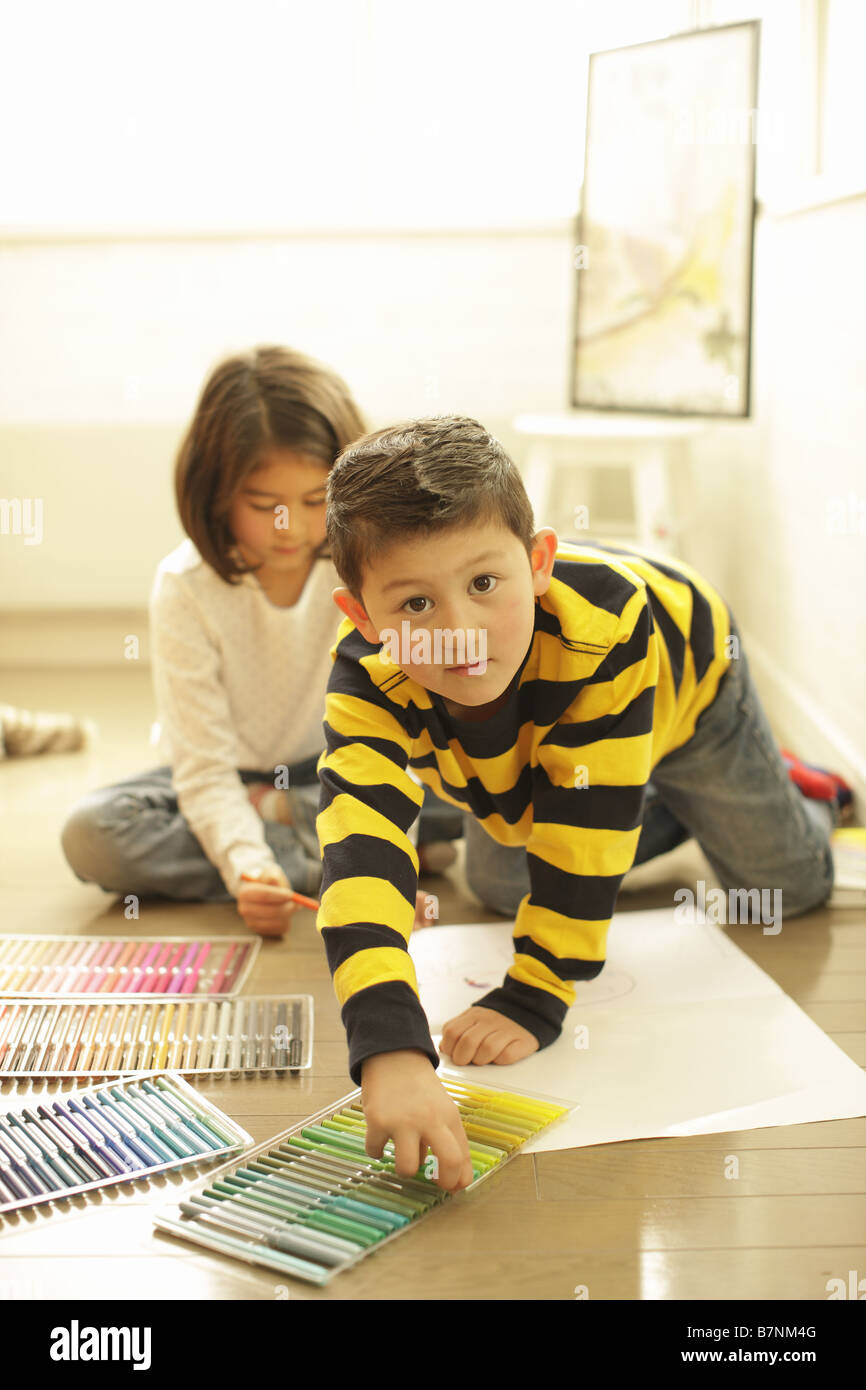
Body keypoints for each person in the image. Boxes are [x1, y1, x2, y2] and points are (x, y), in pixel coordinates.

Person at [314, 414, 851, 1191]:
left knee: (789, 885)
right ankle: (648, 800)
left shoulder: (608, 632)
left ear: (538, 564)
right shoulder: (364, 676)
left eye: (484, 584)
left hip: (683, 684)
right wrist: (390, 1048)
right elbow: (358, 852)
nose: (459, 631)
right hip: (551, 753)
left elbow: (584, 821)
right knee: (500, 886)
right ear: (362, 617)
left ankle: (798, 787)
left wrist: (537, 994)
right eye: (416, 608)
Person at [59, 348, 462, 937]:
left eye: (312, 501)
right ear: (217, 492)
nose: (292, 529)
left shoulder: (363, 565)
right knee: (94, 835)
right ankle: (319, 853)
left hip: (343, 764)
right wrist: (249, 868)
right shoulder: (186, 587)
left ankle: (310, 833)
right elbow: (200, 772)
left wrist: (387, 858)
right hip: (224, 777)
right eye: (263, 505)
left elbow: (401, 729)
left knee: (477, 793)